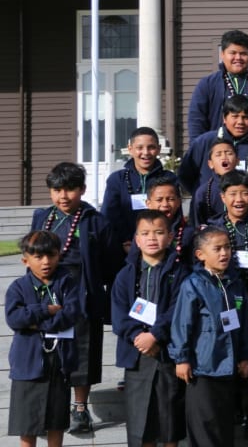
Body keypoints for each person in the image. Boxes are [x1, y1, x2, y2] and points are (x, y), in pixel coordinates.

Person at [30, 162, 108, 434]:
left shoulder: (95, 220)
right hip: (50, 289)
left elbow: (109, 261)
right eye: (57, 190)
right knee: (49, 349)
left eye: (70, 190)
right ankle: (49, 408)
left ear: (82, 190)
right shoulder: (42, 217)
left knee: (82, 351)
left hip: (82, 290)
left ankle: (79, 408)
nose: (64, 196)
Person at [169, 227, 248, 447]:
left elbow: (242, 324)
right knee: (204, 429)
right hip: (202, 368)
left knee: (224, 428)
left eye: (227, 247)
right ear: (201, 255)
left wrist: (244, 356)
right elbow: (182, 324)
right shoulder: (193, 285)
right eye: (217, 248)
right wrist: (182, 358)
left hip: (229, 367)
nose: (224, 253)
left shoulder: (235, 284)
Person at [111, 210, 187, 447]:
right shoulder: (125, 274)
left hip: (167, 353)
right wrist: (138, 336)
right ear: (136, 239)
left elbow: (179, 309)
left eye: (159, 232)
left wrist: (155, 335)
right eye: (145, 233)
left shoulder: (181, 272)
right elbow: (119, 313)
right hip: (137, 354)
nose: (152, 238)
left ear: (170, 236)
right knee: (140, 423)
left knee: (169, 421)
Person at [6, 230, 81, 447]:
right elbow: (14, 318)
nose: (45, 262)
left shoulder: (68, 283)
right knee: (27, 426)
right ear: (26, 260)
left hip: (59, 363)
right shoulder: (17, 288)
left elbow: (71, 315)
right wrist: (45, 310)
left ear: (59, 255)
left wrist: (35, 323)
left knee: (56, 423)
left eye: (51, 255)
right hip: (27, 366)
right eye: (38, 257)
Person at [100, 127, 177, 280]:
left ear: (159, 149)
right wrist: (127, 241)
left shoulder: (170, 178)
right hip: (124, 248)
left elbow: (174, 212)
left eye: (151, 147)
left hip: (160, 245)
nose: (146, 153)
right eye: (139, 148)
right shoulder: (117, 179)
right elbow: (110, 215)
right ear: (130, 149)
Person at [179, 94, 248, 208]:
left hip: (247, 214)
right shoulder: (204, 142)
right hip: (208, 210)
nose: (240, 122)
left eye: (246, 117)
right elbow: (185, 174)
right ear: (224, 118)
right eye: (235, 116)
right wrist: (203, 195)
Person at [188, 29, 248, 141]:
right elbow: (196, 120)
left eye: (243, 53)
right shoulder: (207, 84)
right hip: (218, 151)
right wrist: (199, 150)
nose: (238, 58)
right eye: (233, 53)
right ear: (222, 54)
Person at [209, 171, 248, 288]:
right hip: (224, 290)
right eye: (233, 194)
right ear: (223, 197)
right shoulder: (213, 229)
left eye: (245, 193)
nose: (239, 199)